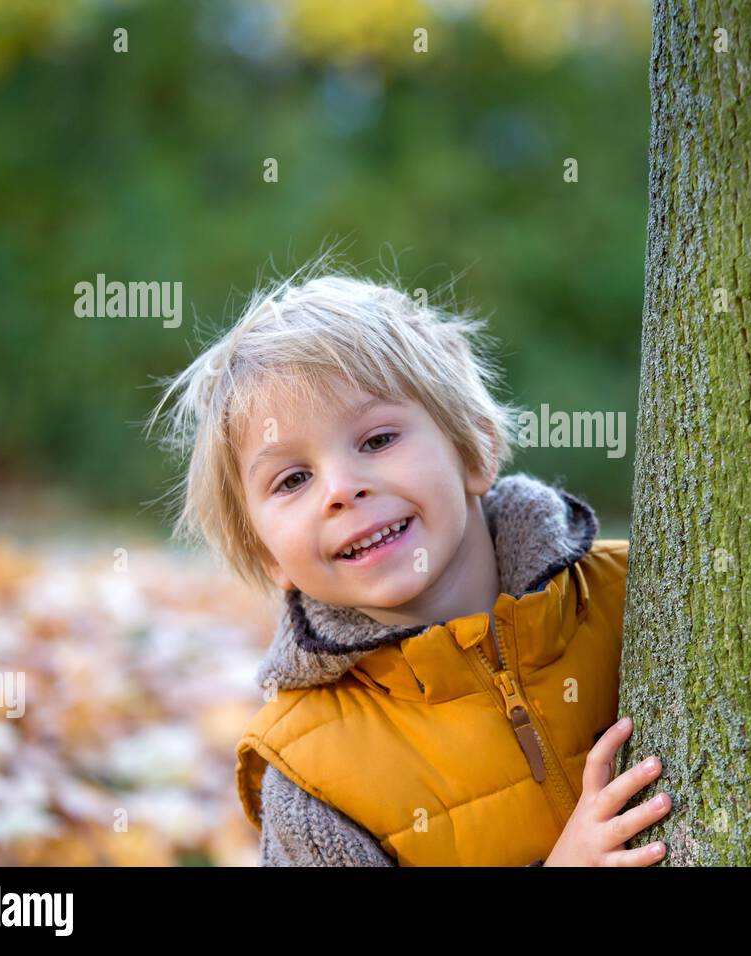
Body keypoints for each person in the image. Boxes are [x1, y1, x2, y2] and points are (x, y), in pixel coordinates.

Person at [144, 263, 672, 866]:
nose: (341, 489)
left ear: (474, 447)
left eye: (376, 441)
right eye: (293, 478)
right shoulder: (312, 777)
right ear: (268, 554)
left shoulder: (636, 594)